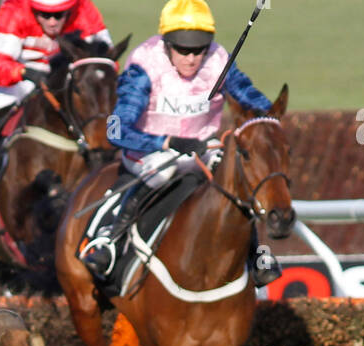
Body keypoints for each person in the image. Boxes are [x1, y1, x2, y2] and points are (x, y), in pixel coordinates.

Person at [78, 0, 280, 285]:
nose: (192, 58)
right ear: (166, 44)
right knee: (163, 172)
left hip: (204, 148)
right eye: (183, 49)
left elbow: (249, 95)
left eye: (199, 49)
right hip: (149, 154)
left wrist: (268, 115)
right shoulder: (144, 64)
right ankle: (109, 241)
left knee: (237, 173)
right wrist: (167, 141)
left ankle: (257, 253)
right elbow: (116, 130)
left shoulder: (218, 59)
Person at [0, 0, 112, 218]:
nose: (53, 22)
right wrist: (24, 73)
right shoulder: (14, 10)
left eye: (60, 15)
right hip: (20, 81)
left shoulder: (84, 9)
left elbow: (106, 60)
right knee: (0, 118)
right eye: (45, 15)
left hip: (64, 81)